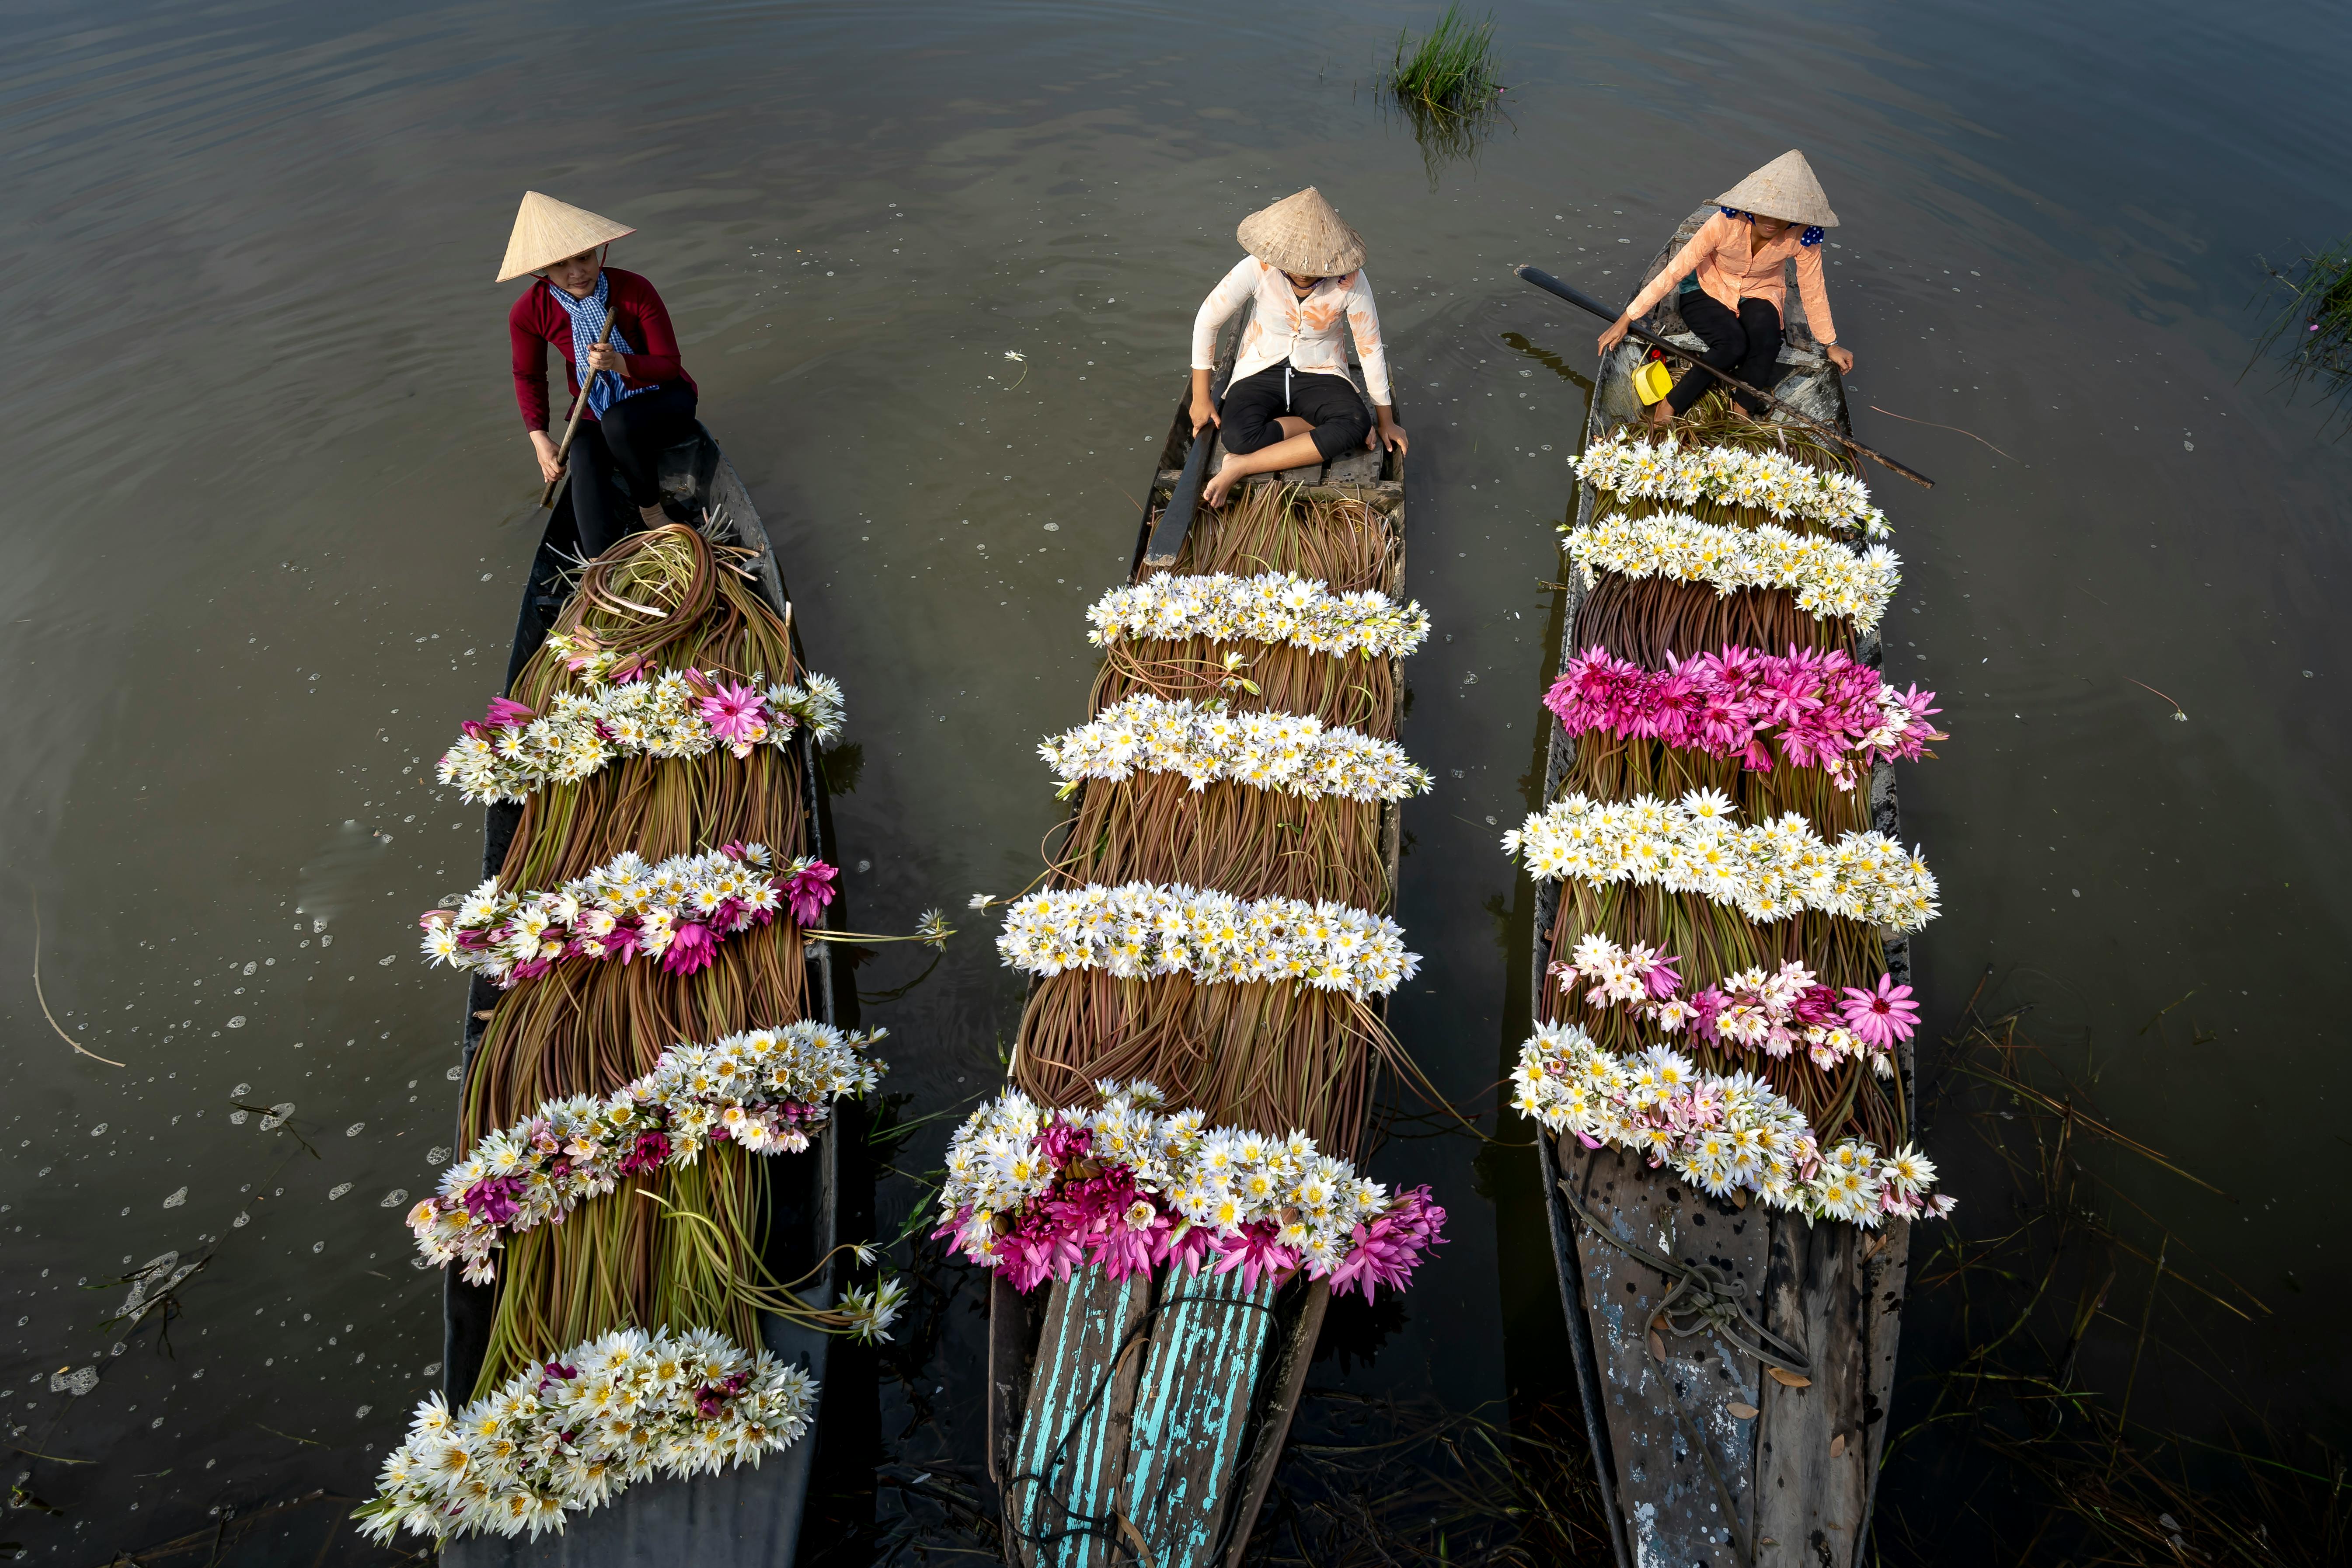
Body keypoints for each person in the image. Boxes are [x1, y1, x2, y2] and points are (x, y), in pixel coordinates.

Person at [498, 191, 700, 558]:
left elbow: (668, 364)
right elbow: (528, 375)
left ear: (599, 252)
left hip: (664, 397)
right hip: (594, 404)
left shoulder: (634, 289)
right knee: (584, 459)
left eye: (584, 257)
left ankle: (651, 510)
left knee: (618, 422)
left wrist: (621, 364)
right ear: (542, 270)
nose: (577, 272)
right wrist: (539, 438)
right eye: (561, 265)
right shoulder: (528, 312)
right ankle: (602, 566)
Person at [1598, 151, 1855, 427]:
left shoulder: (1804, 236)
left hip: (1761, 289)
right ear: (1751, 205)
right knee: (1732, 345)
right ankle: (1670, 403)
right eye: (1765, 212)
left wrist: (1830, 344)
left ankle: (1742, 407)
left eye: (1782, 217)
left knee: (1768, 341)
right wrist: (1627, 318)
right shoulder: (1724, 223)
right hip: (1708, 287)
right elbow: (1676, 270)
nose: (1772, 222)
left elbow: (1814, 289)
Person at [1190, 188, 1407, 509]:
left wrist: (1384, 420)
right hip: (1260, 366)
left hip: (1320, 371)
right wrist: (1200, 398)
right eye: (1295, 268)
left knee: (1356, 424)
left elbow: (1370, 348)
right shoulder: (1256, 267)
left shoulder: (1352, 280)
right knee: (1237, 438)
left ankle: (1240, 466)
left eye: (1315, 269)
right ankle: (1314, 426)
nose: (1304, 274)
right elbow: (1208, 321)